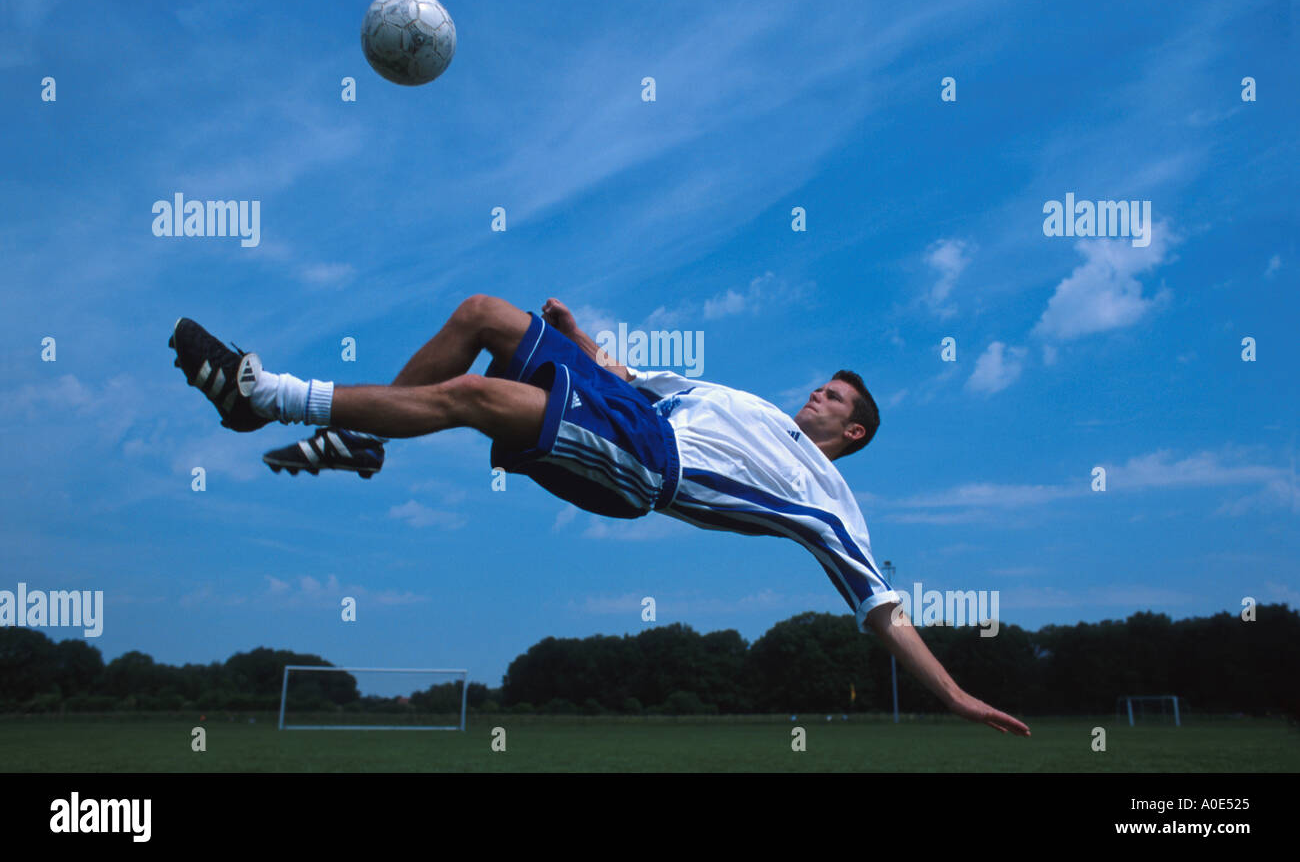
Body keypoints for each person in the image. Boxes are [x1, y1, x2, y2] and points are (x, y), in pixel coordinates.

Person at [169, 293, 1030, 736]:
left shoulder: (829, 501)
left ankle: (265, 396)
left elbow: (881, 608)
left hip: (646, 466)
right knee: (481, 316)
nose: (818, 391)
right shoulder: (746, 404)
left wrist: (952, 692)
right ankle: (361, 441)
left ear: (855, 429)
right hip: (635, 409)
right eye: (823, 381)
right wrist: (579, 340)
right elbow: (626, 373)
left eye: (834, 394)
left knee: (472, 395)